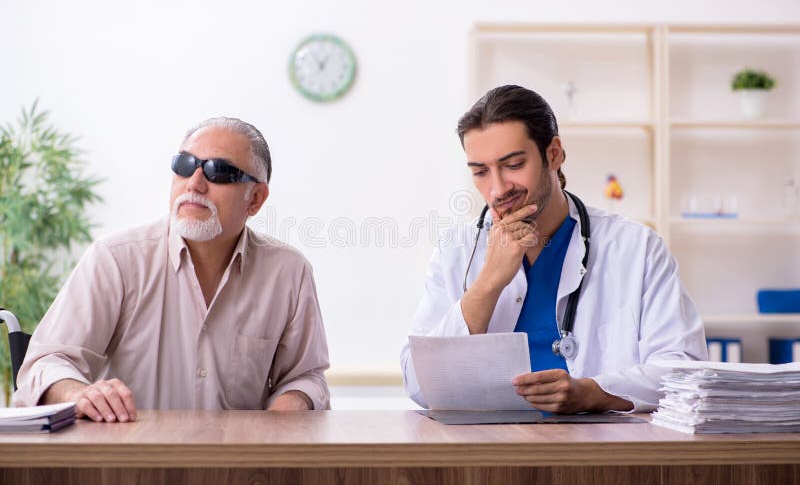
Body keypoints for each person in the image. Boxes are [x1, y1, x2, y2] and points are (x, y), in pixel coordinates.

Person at [400, 85, 706, 413]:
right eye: (480, 172)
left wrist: (594, 392)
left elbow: (683, 372)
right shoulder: (456, 253)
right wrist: (488, 283)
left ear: (554, 154)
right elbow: (418, 384)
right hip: (487, 454)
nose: (498, 188)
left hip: (601, 454)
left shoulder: (637, 249)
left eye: (514, 164)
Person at [13, 117, 330, 420]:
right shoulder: (115, 259)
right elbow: (46, 363)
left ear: (255, 199)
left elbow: (306, 378)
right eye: (185, 165)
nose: (195, 183)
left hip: (241, 468)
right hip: (131, 466)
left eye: (218, 171)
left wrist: (292, 402)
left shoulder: (288, 272)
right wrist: (78, 394)